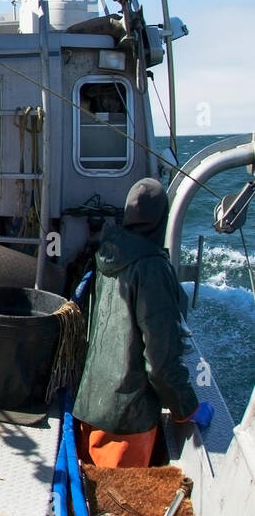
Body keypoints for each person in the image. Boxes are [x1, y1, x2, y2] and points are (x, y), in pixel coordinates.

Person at [73, 178, 213, 468]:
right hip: (127, 420)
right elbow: (160, 361)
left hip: (89, 407)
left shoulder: (106, 254)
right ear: (162, 218)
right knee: (121, 508)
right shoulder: (151, 267)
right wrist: (187, 407)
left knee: (93, 502)